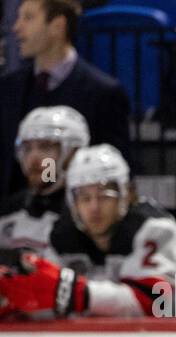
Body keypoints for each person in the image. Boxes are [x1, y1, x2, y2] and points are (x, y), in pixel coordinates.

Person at [0, 144, 176, 318]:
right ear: (71, 203)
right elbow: (51, 299)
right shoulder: (61, 235)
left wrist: (77, 293)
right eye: (84, 198)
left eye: (105, 196)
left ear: (127, 195)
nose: (94, 207)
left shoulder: (154, 229)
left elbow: (154, 302)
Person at [0, 1, 131, 198]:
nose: (16, 27)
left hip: (74, 219)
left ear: (58, 26)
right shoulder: (8, 87)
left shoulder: (103, 92)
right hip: (11, 219)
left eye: (28, 18)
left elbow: (114, 168)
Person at [0, 105, 88, 252]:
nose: (33, 158)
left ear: (73, 154)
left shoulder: (90, 215)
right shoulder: (9, 209)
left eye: (46, 147)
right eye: (27, 148)